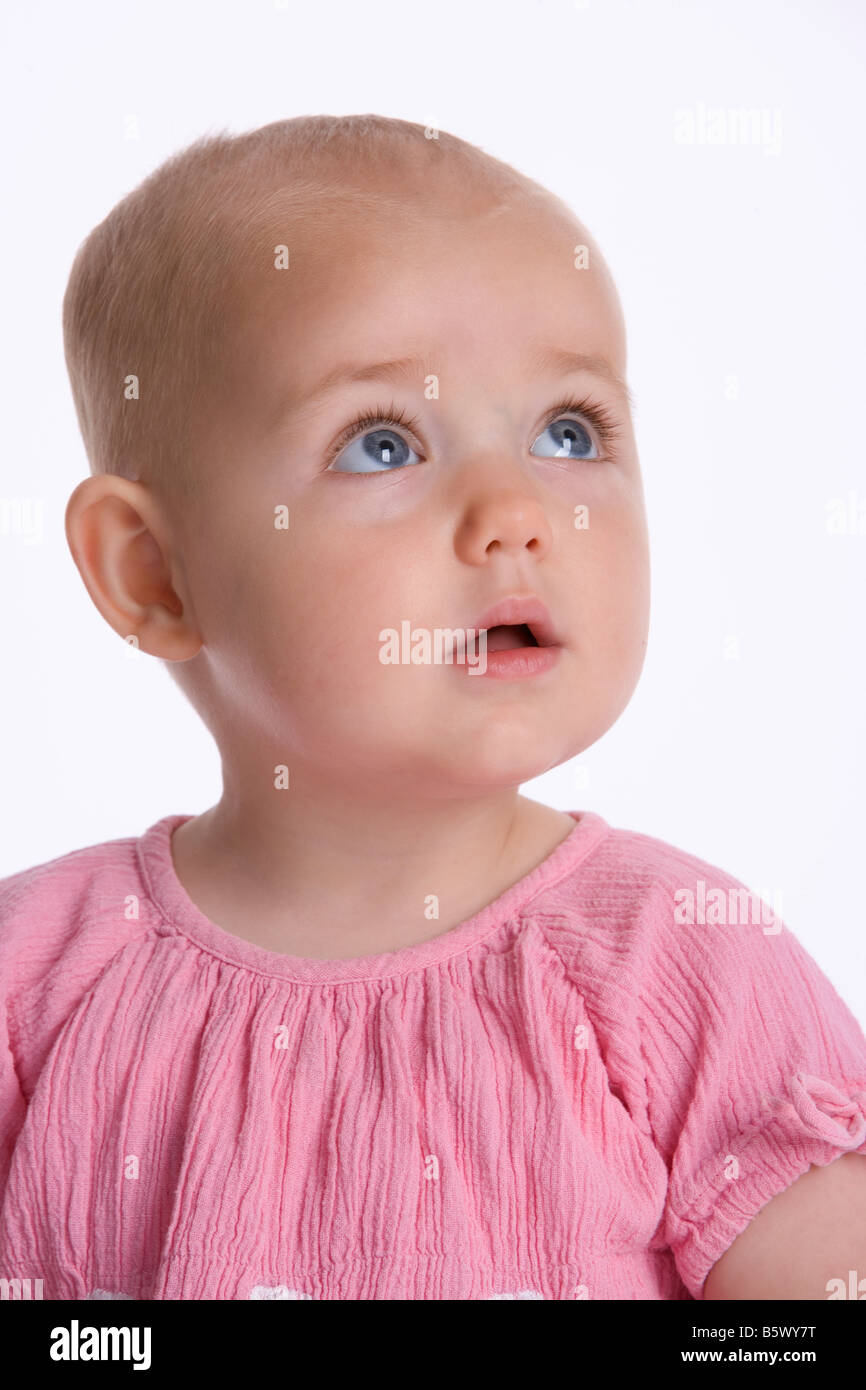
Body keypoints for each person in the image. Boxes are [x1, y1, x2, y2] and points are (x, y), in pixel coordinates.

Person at [1, 114, 864, 1301]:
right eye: (381, 443)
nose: (513, 509)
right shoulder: (33, 988)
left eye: (568, 430)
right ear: (155, 572)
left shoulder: (686, 964)